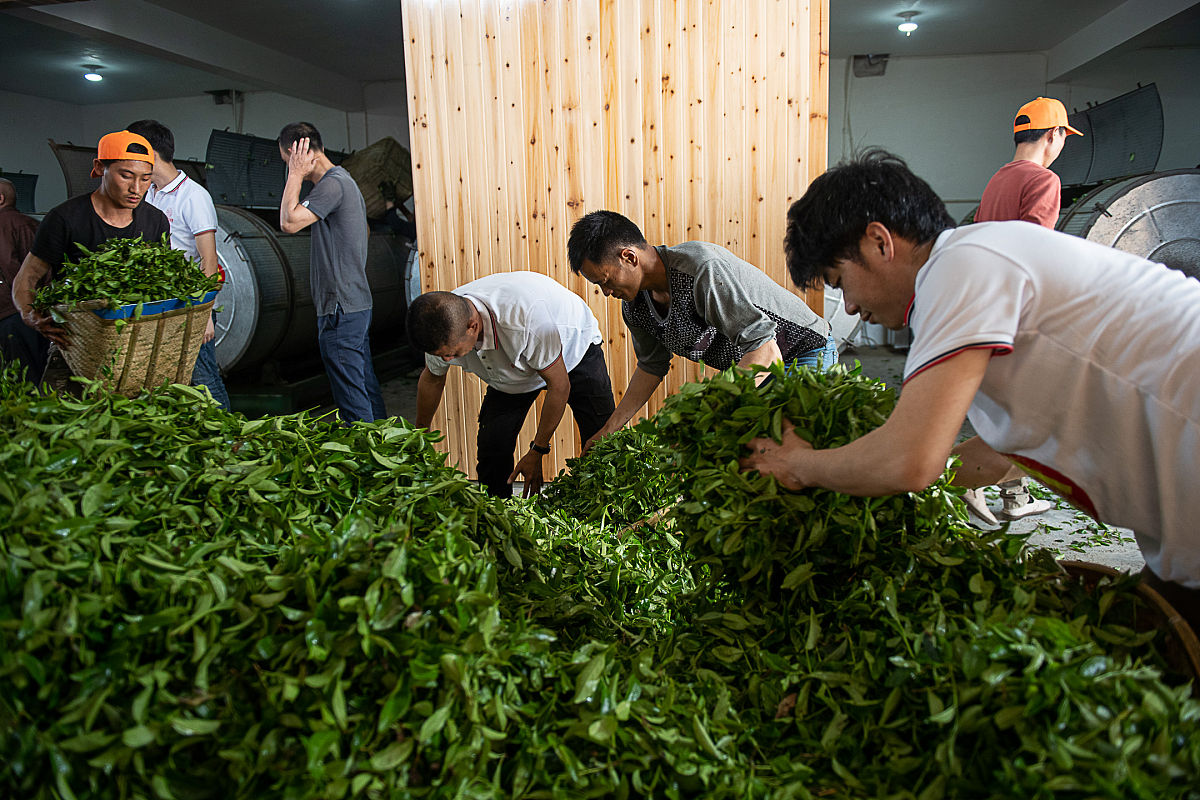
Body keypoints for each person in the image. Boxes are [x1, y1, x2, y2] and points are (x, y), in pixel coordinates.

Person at [741, 148, 1200, 629]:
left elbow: (911, 462)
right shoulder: (975, 267)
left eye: (840, 282)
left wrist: (799, 466)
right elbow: (998, 455)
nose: (850, 307)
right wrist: (857, 471)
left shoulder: (959, 267)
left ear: (879, 242)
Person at [568, 210, 837, 452]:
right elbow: (651, 366)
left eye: (605, 280)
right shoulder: (636, 308)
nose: (605, 292)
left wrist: (705, 417)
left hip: (803, 350)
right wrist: (609, 429)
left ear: (629, 257)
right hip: (756, 364)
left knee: (792, 453)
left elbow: (765, 348)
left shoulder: (700, 269)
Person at [963, 97, 1084, 523]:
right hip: (1021, 311)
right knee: (1037, 420)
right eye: (1063, 138)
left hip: (990, 303)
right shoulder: (1044, 180)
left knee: (1010, 406)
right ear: (1054, 135)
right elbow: (1035, 251)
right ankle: (968, 481)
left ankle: (1015, 497)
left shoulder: (999, 179)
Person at [407, 272, 616, 498]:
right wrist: (420, 433)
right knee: (492, 446)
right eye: (443, 355)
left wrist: (537, 450)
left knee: (602, 439)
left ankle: (605, 507)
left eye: (452, 353)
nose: (448, 360)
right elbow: (433, 378)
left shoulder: (524, 319)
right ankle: (496, 513)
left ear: (472, 326)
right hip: (510, 368)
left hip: (573, 349)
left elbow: (560, 385)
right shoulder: (440, 326)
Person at [11, 130, 169, 384]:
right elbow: (27, 277)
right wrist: (29, 314)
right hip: (76, 340)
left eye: (145, 179)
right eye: (126, 176)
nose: (136, 188)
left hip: (137, 340)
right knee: (64, 412)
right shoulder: (65, 218)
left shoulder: (155, 221)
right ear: (100, 167)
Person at [278, 121, 386, 423]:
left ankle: (366, 460)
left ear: (295, 152)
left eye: (287, 161)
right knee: (363, 386)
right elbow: (362, 230)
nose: (287, 167)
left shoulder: (332, 184)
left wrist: (295, 174)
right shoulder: (343, 182)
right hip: (353, 303)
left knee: (352, 399)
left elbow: (289, 222)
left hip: (340, 307)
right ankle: (384, 453)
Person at [126, 119, 230, 410]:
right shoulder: (149, 193)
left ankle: (227, 441)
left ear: (149, 153)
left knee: (203, 380)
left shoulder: (193, 196)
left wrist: (205, 314)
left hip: (190, 306)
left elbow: (210, 262)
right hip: (160, 305)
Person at [0, 178, 43, 379]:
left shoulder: (4, 224)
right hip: (35, 313)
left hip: (13, 315)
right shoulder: (33, 224)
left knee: (22, 379)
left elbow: (9, 267)